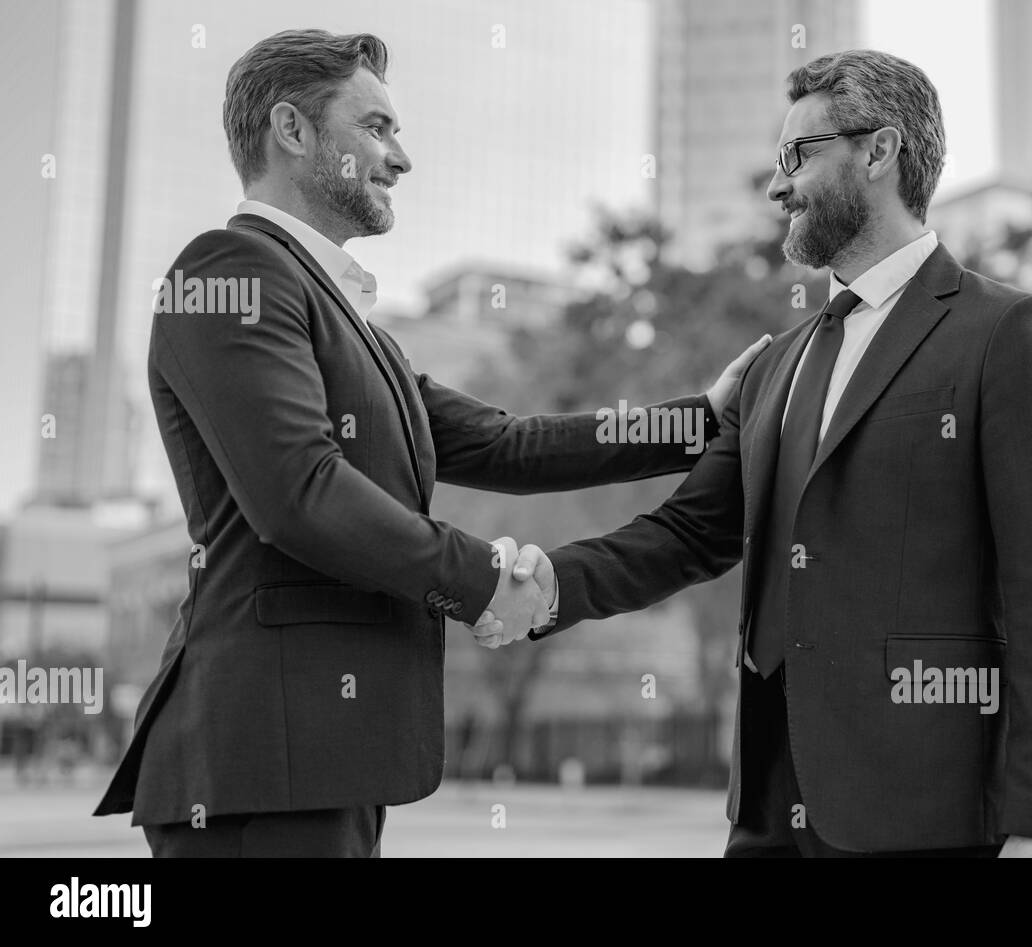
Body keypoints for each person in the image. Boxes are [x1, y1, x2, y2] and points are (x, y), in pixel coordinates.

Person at [92, 28, 767, 858]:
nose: (400, 157)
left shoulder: (358, 330)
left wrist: (694, 418)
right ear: (292, 131)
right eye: (376, 128)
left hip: (328, 760)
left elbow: (511, 444)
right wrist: (487, 582)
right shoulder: (227, 271)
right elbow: (301, 494)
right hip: (257, 759)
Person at [505, 49, 1032, 858]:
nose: (775, 185)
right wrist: (540, 586)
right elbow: (688, 534)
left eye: (797, 155)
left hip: (926, 817)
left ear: (879, 151)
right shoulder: (773, 365)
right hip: (767, 812)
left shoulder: (1007, 334)